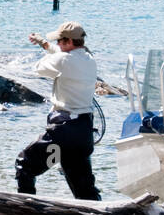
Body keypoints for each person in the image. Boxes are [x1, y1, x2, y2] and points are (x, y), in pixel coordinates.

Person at [15, 20, 101, 200]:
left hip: (62, 135)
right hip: (83, 134)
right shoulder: (89, 58)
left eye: (60, 41)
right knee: (84, 189)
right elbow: (65, 57)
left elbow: (39, 68)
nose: (58, 45)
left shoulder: (62, 60)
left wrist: (48, 53)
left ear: (69, 42)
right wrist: (44, 44)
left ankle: (26, 213)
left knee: (25, 165)